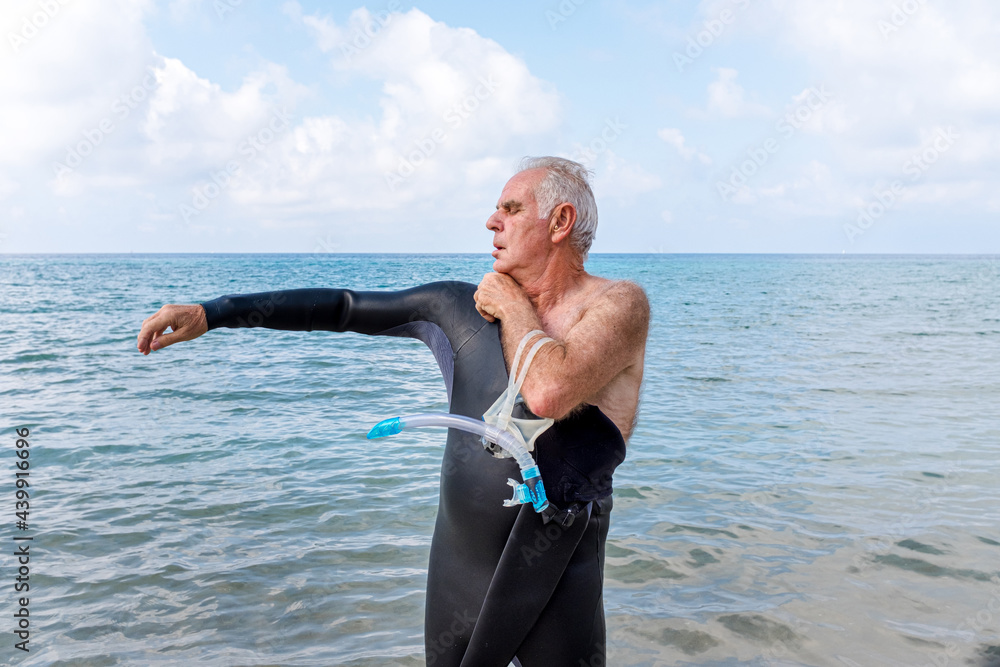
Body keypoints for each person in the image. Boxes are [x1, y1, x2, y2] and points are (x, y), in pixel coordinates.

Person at [137, 156, 650, 666]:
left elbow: (548, 392)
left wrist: (515, 306)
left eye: (511, 209)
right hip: (460, 566)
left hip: (555, 566)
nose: (492, 222)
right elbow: (344, 307)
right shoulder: (459, 308)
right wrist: (214, 313)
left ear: (561, 222)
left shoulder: (617, 307)